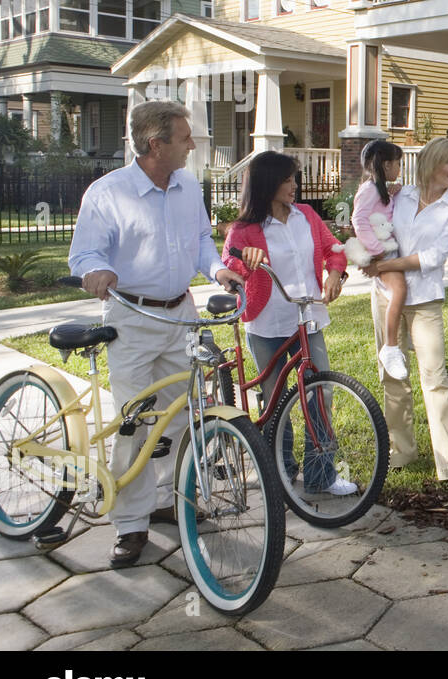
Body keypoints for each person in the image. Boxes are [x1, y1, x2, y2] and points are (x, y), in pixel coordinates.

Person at [68, 101, 244, 568]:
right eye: (185, 138)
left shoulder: (187, 186)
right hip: (132, 317)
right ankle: (130, 525)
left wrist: (218, 270)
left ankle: (168, 499)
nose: (193, 145)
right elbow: (84, 254)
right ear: (155, 144)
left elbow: (201, 241)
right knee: (135, 420)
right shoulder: (107, 193)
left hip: (181, 314)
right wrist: (97, 271)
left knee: (182, 416)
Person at [221, 150, 354, 494]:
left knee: (320, 395)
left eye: (294, 178)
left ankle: (321, 476)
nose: (294, 185)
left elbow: (334, 249)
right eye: (286, 180)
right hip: (266, 323)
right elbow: (230, 272)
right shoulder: (244, 229)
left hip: (306, 319)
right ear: (267, 184)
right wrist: (245, 264)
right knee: (275, 401)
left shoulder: (306, 215)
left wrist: (335, 275)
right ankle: (280, 471)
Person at [362, 136, 448, 498]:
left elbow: (432, 257)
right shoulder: (401, 196)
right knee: (392, 375)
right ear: (432, 161)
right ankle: (403, 451)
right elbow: (372, 223)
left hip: (425, 299)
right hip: (385, 294)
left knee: (435, 378)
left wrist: (384, 264)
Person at [352, 141, 410, 381]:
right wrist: (376, 251)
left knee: (400, 292)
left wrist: (392, 192)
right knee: (399, 290)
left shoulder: (379, 189)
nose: (400, 168)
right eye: (398, 163)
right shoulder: (369, 190)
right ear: (386, 165)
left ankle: (398, 344)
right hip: (382, 252)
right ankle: (391, 347)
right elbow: (358, 219)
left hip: (388, 250)